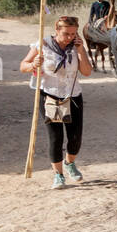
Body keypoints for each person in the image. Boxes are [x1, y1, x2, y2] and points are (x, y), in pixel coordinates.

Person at [19, 15, 92, 188]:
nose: (69, 37)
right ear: (57, 30)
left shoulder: (76, 47)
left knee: (75, 137)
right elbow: (23, 65)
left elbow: (87, 72)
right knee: (56, 137)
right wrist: (33, 64)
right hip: (50, 95)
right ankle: (58, 174)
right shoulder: (42, 45)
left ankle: (69, 163)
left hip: (72, 95)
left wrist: (81, 51)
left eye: (73, 34)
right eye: (66, 33)